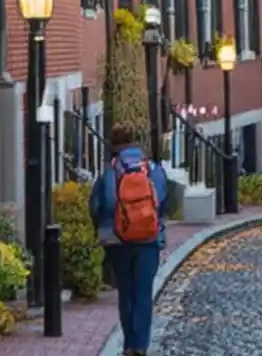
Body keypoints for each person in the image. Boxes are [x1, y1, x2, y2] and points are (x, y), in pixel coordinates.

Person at [89, 121, 168, 356]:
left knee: (126, 291)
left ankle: (129, 344)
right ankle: (141, 346)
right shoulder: (152, 169)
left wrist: (103, 226)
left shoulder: (111, 171)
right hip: (149, 239)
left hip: (118, 241)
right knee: (144, 292)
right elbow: (163, 199)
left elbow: (97, 205)